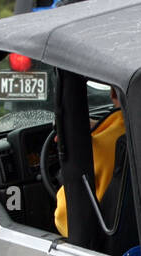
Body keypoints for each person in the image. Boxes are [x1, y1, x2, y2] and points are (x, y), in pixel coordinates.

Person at [53, 92, 124, 238]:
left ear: (112, 93)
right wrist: (101, 125)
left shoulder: (96, 148)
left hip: (109, 248)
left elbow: (66, 222)